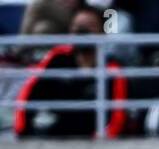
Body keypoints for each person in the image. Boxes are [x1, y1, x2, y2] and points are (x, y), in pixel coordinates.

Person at [14, 3, 129, 138]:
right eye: (78, 26)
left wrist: (96, 145)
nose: (82, 31)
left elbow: (117, 118)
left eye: (89, 26)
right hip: (54, 141)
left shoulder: (112, 68)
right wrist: (24, 133)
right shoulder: (57, 58)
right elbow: (27, 98)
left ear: (102, 32)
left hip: (95, 147)